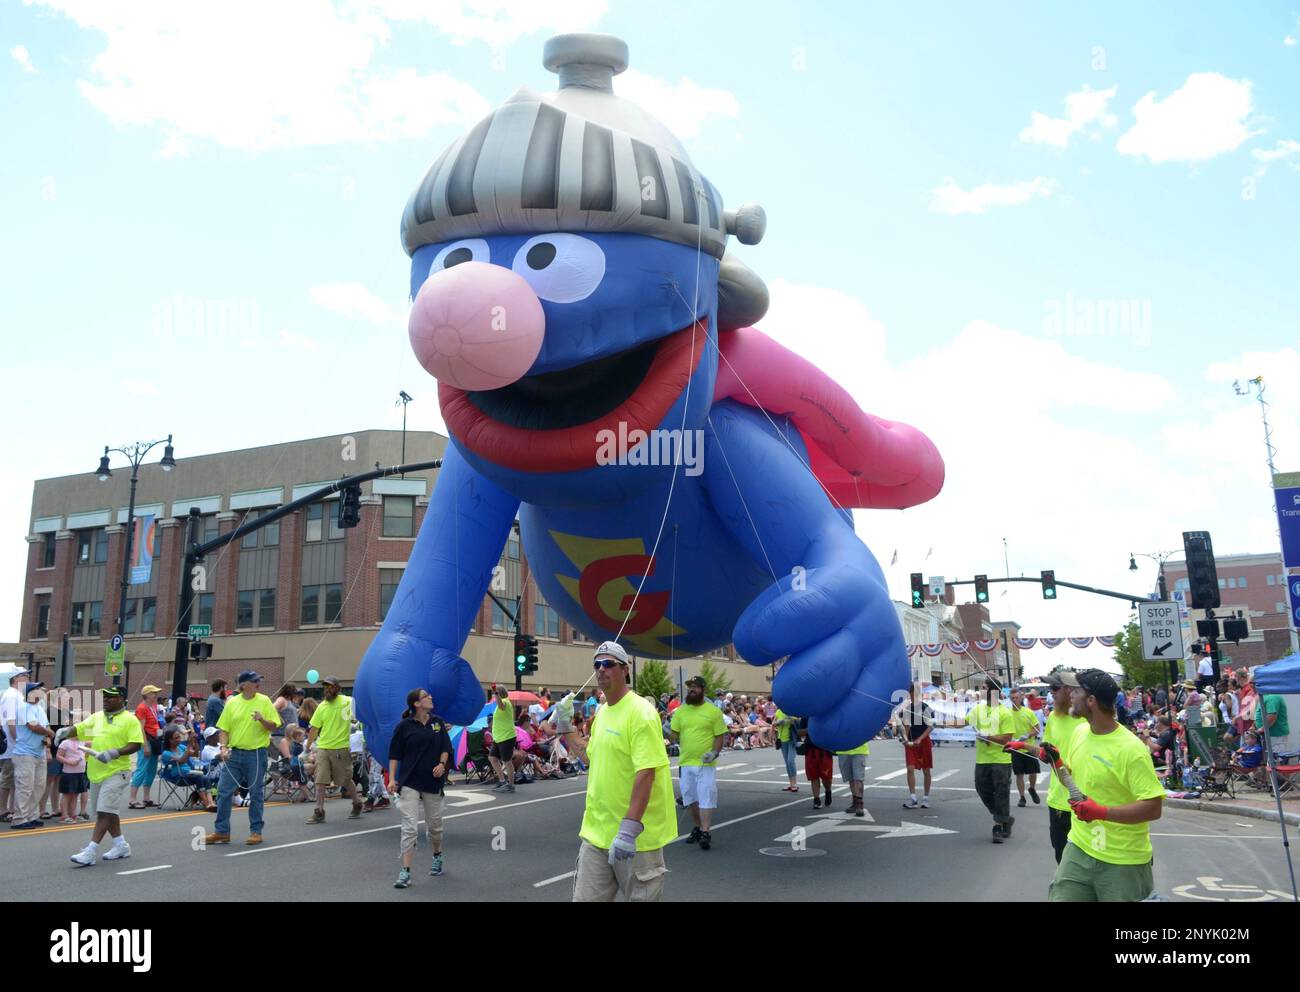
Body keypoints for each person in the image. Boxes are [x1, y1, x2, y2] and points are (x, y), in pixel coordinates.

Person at [1048, 669, 1164, 902]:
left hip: (1122, 860)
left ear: (1091, 701)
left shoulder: (1131, 749)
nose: (1070, 694)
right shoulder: (1080, 732)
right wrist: (1056, 762)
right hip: (1079, 848)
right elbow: (1072, 781)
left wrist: (1102, 812)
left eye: (1076, 690)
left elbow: (1153, 807)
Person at [573, 642, 674, 902]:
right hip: (596, 834)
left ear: (625, 670)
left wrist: (628, 830)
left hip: (637, 840)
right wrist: (565, 731)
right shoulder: (602, 712)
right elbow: (590, 758)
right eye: (597, 665)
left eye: (608, 664)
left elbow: (646, 772)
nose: (601, 670)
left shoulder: (641, 712)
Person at [59, 686, 145, 865]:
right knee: (108, 811)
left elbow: (136, 744)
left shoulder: (130, 720)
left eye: (111, 697)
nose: (106, 700)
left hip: (117, 771)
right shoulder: (97, 716)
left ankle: (90, 851)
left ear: (122, 698)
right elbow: (82, 728)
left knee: (104, 811)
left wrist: (114, 752)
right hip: (96, 772)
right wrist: (66, 731)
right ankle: (121, 845)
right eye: (105, 697)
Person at [206, 670, 280, 846]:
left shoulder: (264, 701)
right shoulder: (232, 703)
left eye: (258, 680)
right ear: (243, 685)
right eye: (255, 681)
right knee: (224, 791)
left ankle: (256, 831)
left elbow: (274, 726)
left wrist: (262, 720)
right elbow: (224, 729)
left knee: (256, 793)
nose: (258, 684)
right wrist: (223, 747)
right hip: (234, 754)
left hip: (256, 754)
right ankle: (221, 831)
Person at [389, 687, 454, 888]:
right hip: (409, 780)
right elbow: (394, 755)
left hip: (432, 781)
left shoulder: (437, 723)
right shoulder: (404, 726)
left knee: (435, 826)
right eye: (426, 696)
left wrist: (442, 765)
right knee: (409, 826)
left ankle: (437, 856)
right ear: (416, 703)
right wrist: (392, 779)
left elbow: (445, 748)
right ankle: (405, 871)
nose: (431, 697)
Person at [669, 675, 726, 850]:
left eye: (695, 687)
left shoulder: (713, 712)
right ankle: (698, 827)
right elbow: (674, 735)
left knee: (706, 796)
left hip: (705, 764)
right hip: (685, 762)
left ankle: (705, 832)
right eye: (689, 687)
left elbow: (719, 736)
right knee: (691, 798)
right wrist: (665, 731)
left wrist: (714, 753)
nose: (691, 689)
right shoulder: (681, 711)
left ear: (703, 689)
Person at [1039, 671, 1086, 864]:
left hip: (1083, 801)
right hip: (1057, 802)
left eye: (1055, 688)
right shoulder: (1053, 717)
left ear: (1070, 691)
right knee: (1061, 858)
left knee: (1083, 863)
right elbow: (1048, 753)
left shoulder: (1087, 719)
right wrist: (1032, 750)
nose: (1052, 693)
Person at [305, 676, 362, 822]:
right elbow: (314, 729)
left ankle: (357, 803)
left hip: (340, 749)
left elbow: (359, 715)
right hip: (323, 748)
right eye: (325, 687)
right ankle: (319, 811)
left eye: (330, 686)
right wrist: (307, 747)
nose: (327, 690)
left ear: (337, 688)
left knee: (345, 780)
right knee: (320, 781)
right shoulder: (322, 707)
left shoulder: (348, 702)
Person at [966, 679, 1015, 843]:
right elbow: (964, 722)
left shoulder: (1005, 712)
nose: (980, 690)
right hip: (982, 760)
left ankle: (999, 826)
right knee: (981, 788)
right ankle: (1004, 817)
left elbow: (1007, 738)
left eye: (984, 687)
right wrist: (940, 723)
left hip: (1001, 759)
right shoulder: (978, 709)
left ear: (993, 691)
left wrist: (987, 736)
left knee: (1001, 792)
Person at [10, 681, 54, 829]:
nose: (42, 691)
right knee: (25, 786)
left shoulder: (39, 709)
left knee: (38, 786)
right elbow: (34, 726)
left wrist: (48, 739)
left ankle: (30, 815)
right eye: (38, 689)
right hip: (24, 754)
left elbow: (46, 726)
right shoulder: (23, 708)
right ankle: (19, 818)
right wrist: (50, 733)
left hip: (38, 752)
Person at [158, 727, 217, 810]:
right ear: (170, 740)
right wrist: (188, 746)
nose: (180, 739)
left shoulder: (181, 747)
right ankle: (206, 803)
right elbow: (182, 760)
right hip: (178, 776)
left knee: (205, 777)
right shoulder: (166, 753)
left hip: (189, 773)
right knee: (199, 777)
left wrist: (195, 742)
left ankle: (211, 803)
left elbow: (196, 754)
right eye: (177, 738)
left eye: (179, 737)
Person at [0, 667, 31, 822]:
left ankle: (11, 809)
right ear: (16, 678)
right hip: (12, 745)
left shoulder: (16, 695)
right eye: (25, 675)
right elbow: (11, 721)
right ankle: (3, 810)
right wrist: (19, 741)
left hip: (14, 745)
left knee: (13, 780)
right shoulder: (12, 696)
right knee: (7, 778)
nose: (28, 678)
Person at [128, 685, 163, 809]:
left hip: (154, 741)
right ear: (147, 694)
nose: (156, 695)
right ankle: (132, 799)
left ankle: (146, 798)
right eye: (153, 693)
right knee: (141, 769)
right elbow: (140, 728)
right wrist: (145, 745)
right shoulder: (141, 708)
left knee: (152, 770)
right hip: (147, 742)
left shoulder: (153, 706)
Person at [899, 683, 933, 809]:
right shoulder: (907, 709)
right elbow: (906, 727)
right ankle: (913, 798)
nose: (910, 694)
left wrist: (920, 739)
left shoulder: (925, 707)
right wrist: (905, 739)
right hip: (912, 742)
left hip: (923, 742)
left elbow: (930, 727)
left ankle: (926, 798)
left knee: (926, 770)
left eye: (911, 691)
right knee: (910, 768)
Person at [1009, 687, 1041, 807]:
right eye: (1012, 698)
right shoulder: (1007, 713)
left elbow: (1037, 729)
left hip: (1029, 746)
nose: (1015, 700)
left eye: (1017, 698)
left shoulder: (1028, 712)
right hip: (1015, 747)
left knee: (1033, 771)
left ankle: (1032, 788)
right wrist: (1010, 738)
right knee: (1019, 774)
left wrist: (1027, 735)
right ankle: (1022, 797)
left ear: (1021, 698)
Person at [1250, 668, 1292, 754]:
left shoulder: (1271, 697)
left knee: (1277, 759)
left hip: (1276, 736)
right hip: (1269, 735)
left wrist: (1260, 729)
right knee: (1270, 759)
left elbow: (1271, 716)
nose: (1251, 687)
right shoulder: (1263, 696)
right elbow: (1261, 714)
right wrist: (1254, 726)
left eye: (1252, 684)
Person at [487, 684, 518, 794]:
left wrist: (495, 693)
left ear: (499, 693)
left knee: (507, 761)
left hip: (507, 737)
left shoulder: (505, 702)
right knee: (492, 758)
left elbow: (501, 705)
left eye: (496, 694)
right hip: (499, 738)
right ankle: (502, 781)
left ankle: (510, 785)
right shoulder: (499, 704)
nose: (494, 697)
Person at [56, 724, 89, 824]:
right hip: (69, 772)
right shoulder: (65, 743)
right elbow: (58, 756)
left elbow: (94, 742)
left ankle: (73, 814)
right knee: (67, 794)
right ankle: (64, 815)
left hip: (80, 772)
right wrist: (69, 762)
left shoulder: (82, 742)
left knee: (75, 794)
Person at [800, 717, 835, 809]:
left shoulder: (826, 714)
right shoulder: (806, 716)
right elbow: (799, 732)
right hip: (811, 750)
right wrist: (810, 729)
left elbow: (833, 729)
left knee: (826, 777)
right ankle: (816, 799)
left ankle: (828, 791)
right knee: (813, 776)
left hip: (825, 749)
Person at [835, 737, 870, 817]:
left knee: (858, 778)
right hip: (843, 749)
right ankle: (855, 802)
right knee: (850, 778)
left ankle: (860, 803)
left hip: (859, 749)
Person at [270, 683, 299, 763]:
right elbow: (272, 708)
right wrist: (280, 719)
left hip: (289, 737)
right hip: (280, 736)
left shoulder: (289, 702)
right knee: (284, 762)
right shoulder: (282, 699)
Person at [773, 707, 800, 792]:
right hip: (782, 739)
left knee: (790, 761)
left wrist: (789, 719)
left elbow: (798, 720)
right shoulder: (778, 711)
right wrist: (778, 722)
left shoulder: (792, 710)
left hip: (791, 739)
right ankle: (791, 783)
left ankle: (795, 783)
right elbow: (773, 723)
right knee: (787, 762)